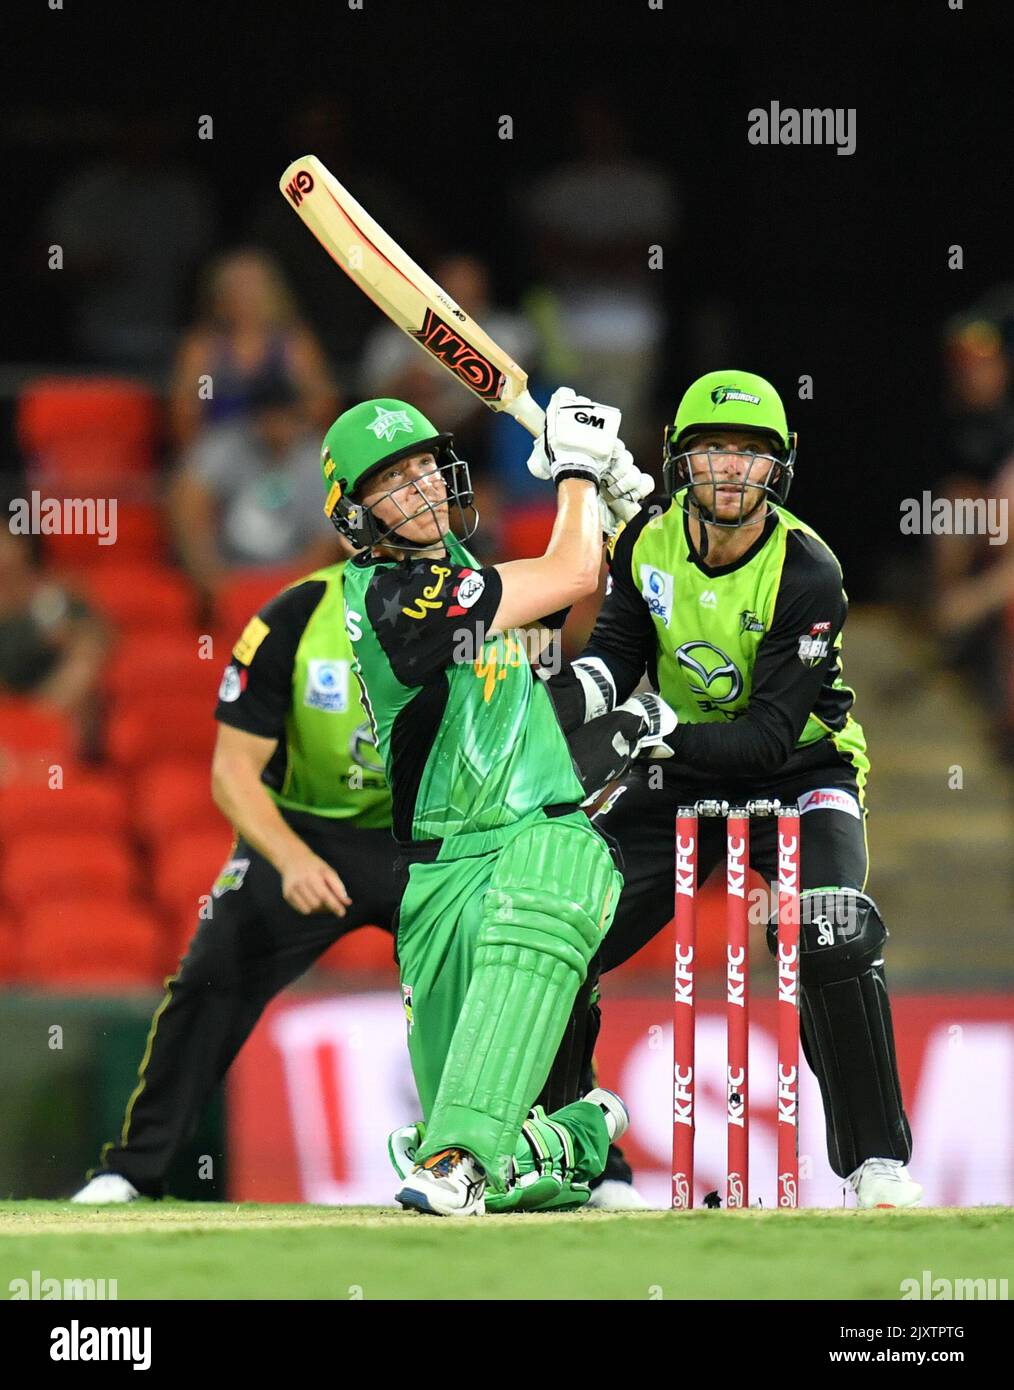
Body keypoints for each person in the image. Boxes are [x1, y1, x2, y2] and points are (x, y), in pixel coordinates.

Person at [548, 370, 923, 1210]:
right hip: (676, 766)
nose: (730, 469)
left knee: (829, 933)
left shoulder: (809, 571)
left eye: (750, 454)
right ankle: (578, 1158)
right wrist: (559, 702)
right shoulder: (643, 541)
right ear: (681, 460)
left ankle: (877, 1164)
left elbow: (761, 743)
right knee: (561, 926)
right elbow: (613, 657)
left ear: (779, 469)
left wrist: (648, 728)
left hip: (802, 772)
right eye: (713, 449)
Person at [325, 391, 634, 1215]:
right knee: (512, 1167)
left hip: (541, 837)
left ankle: (458, 1156)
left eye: (426, 466)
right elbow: (571, 571)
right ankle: (575, 1134)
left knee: (553, 876)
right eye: (392, 482)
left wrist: (614, 505)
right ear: (357, 518)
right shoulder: (393, 602)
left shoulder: (470, 571)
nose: (422, 489)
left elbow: (578, 597)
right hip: (439, 878)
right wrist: (578, 471)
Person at [71, 553, 400, 1203]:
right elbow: (231, 772)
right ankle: (134, 1169)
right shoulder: (293, 618)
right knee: (211, 972)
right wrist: (289, 857)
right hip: (307, 828)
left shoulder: (477, 609)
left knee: (520, 966)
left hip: (426, 838)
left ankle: (576, 1160)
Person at [167, 374, 340, 602]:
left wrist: (299, 589)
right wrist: (212, 578)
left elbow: (329, 536)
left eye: (286, 416)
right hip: (230, 576)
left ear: (298, 416)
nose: (277, 426)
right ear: (255, 417)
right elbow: (189, 507)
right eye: (270, 416)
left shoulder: (317, 457)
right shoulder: (223, 446)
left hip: (294, 579)